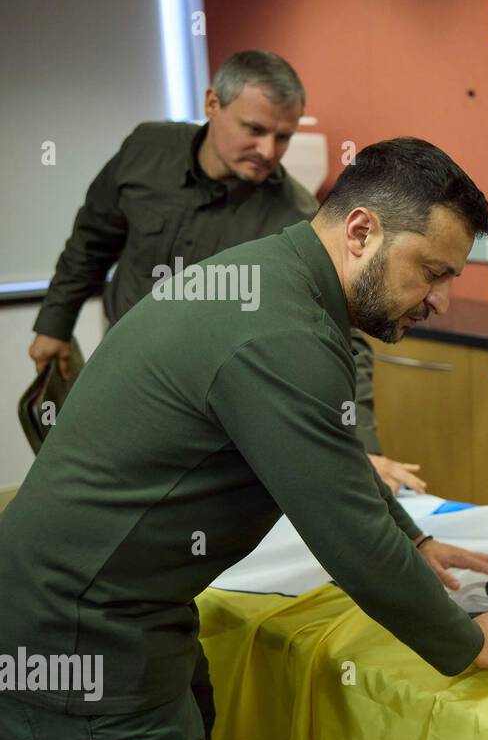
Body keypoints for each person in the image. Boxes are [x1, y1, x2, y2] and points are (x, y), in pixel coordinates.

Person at [0, 137, 488, 740]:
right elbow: (347, 533)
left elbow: (325, 452)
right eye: (432, 271)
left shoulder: (276, 280)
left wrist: (413, 537)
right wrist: (466, 640)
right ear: (362, 231)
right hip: (80, 632)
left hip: (126, 609)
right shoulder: (281, 332)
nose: (442, 301)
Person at [27, 49, 424, 494]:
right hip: (121, 375)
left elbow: (342, 335)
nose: (268, 151)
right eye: (254, 130)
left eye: (284, 137)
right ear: (212, 103)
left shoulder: (296, 215)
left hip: (209, 409)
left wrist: (360, 442)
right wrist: (54, 325)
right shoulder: (145, 150)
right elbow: (92, 239)